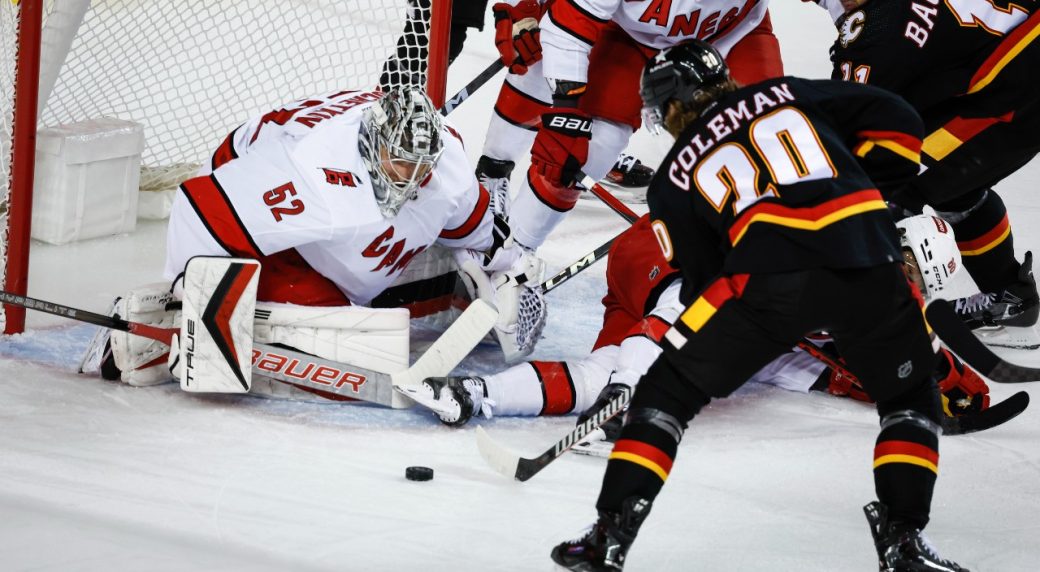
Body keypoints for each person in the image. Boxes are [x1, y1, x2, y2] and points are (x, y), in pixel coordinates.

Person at [550, 41, 969, 571]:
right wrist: (868, 190)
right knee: (909, 398)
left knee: (664, 392)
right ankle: (904, 543)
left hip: (764, 279)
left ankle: (609, 535)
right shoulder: (785, 92)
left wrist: (762, 318)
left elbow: (704, 278)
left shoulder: (673, 175)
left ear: (671, 104)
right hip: (870, 259)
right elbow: (899, 116)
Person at [92, 87, 543, 391]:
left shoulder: (447, 169)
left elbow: (482, 234)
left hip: (334, 232)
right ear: (371, 145)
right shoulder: (313, 168)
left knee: (426, 274)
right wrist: (196, 302)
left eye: (421, 166)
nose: (412, 178)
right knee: (365, 353)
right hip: (261, 224)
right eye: (400, 164)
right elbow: (201, 208)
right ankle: (150, 334)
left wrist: (510, 274)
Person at [405, 215, 989, 436]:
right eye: (910, 265)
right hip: (663, 254)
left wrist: (933, 388)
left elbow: (840, 365)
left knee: (598, 370)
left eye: (918, 277)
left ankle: (478, 396)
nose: (909, 281)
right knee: (692, 307)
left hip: (663, 292)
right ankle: (628, 387)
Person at [478, 0, 785, 239]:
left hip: (733, 31)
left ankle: (754, 253)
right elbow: (568, 31)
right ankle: (511, 253)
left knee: (767, 142)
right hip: (628, 32)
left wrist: (837, 35)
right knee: (583, 152)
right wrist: (567, 117)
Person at [827, 0, 1040, 339]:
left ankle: (887, 323)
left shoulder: (874, 28)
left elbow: (848, 128)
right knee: (953, 181)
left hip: (1019, 91)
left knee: (888, 186)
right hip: (1009, 71)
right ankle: (1010, 295)